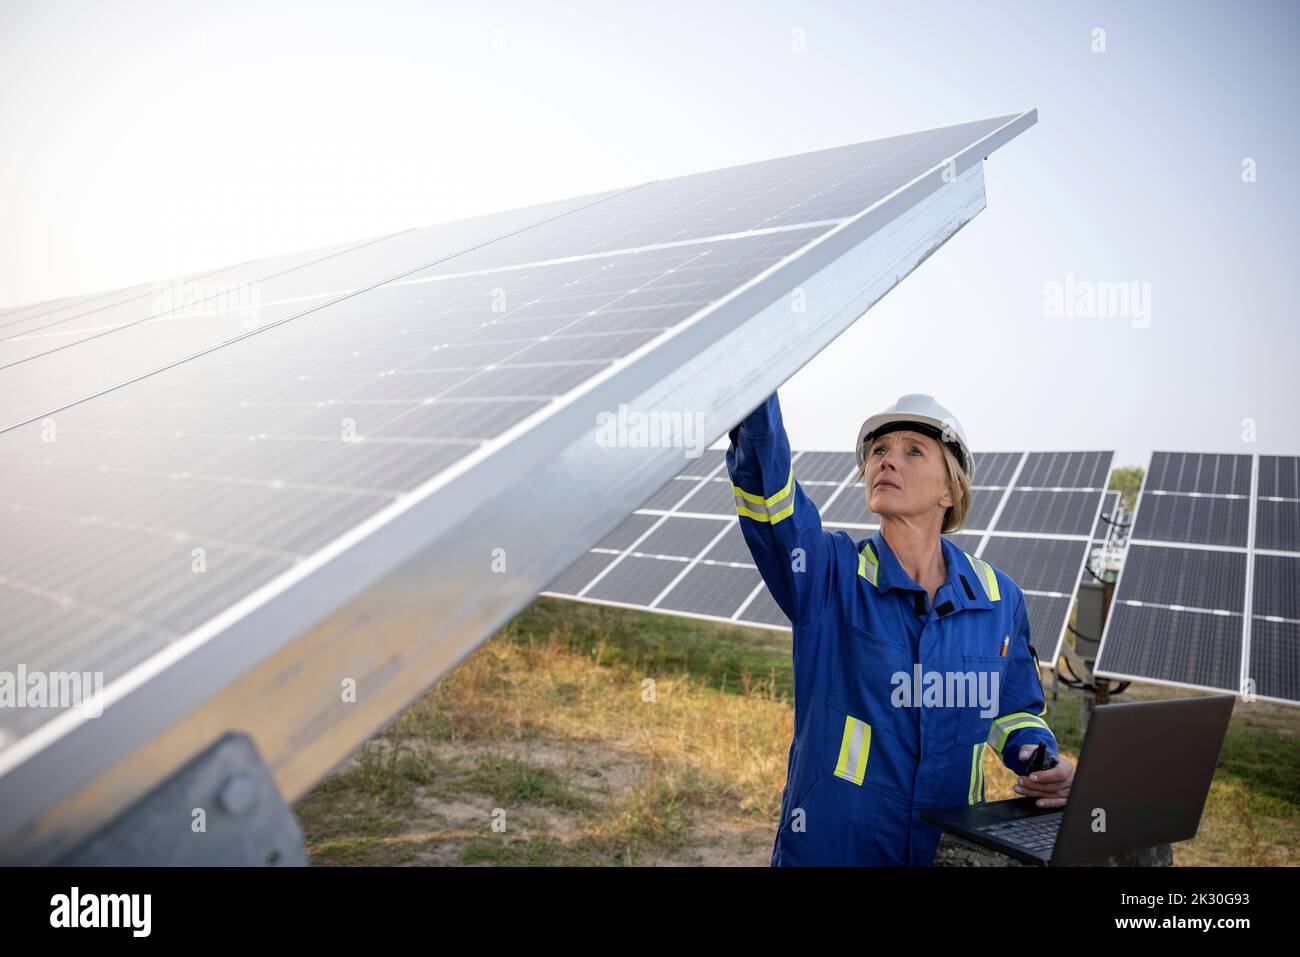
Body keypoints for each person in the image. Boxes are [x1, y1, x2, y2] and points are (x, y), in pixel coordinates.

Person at [725, 390, 1074, 866]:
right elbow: (771, 500)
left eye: (913, 450)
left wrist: (1040, 758)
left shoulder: (998, 597)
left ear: (950, 490)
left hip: (945, 849)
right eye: (878, 451)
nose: (887, 461)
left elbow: (1012, 709)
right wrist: (754, 386)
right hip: (833, 850)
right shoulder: (830, 574)